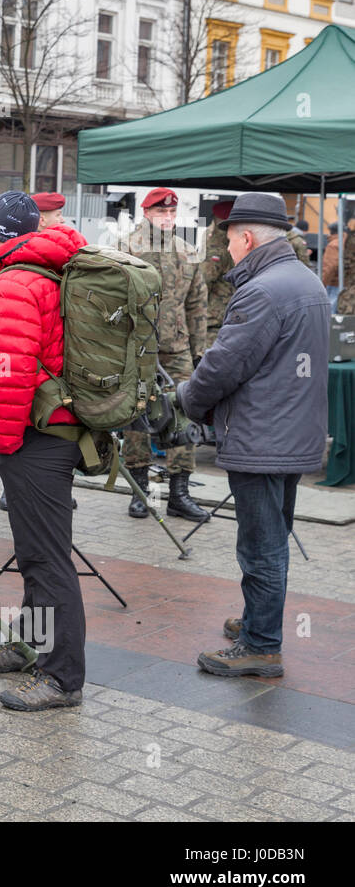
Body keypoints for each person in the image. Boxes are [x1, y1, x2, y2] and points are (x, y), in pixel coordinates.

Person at [176, 193, 328, 678]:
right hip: (289, 434)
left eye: (229, 239)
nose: (228, 249)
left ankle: (261, 645)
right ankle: (257, 622)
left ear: (246, 237)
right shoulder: (302, 279)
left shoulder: (263, 290)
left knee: (260, 546)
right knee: (272, 537)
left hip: (262, 437)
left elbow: (224, 364)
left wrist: (188, 399)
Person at [0, 191, 88, 711]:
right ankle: (28, 644)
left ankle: (62, 677)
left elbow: (11, 374)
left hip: (36, 436)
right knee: (35, 553)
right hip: (56, 429)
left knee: (46, 559)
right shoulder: (47, 267)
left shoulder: (14, 281)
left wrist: (1, 443)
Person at [116, 189, 211, 523]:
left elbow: (197, 304)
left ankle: (179, 493)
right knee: (137, 419)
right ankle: (141, 492)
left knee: (183, 416)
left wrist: (200, 350)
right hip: (137, 348)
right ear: (146, 213)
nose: (168, 218)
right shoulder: (126, 249)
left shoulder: (187, 252)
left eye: (172, 213)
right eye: (161, 212)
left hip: (178, 347)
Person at [202, 199, 235, 348]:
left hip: (218, 320)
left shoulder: (221, 247)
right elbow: (202, 285)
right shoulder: (222, 249)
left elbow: (202, 284)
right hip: (217, 321)